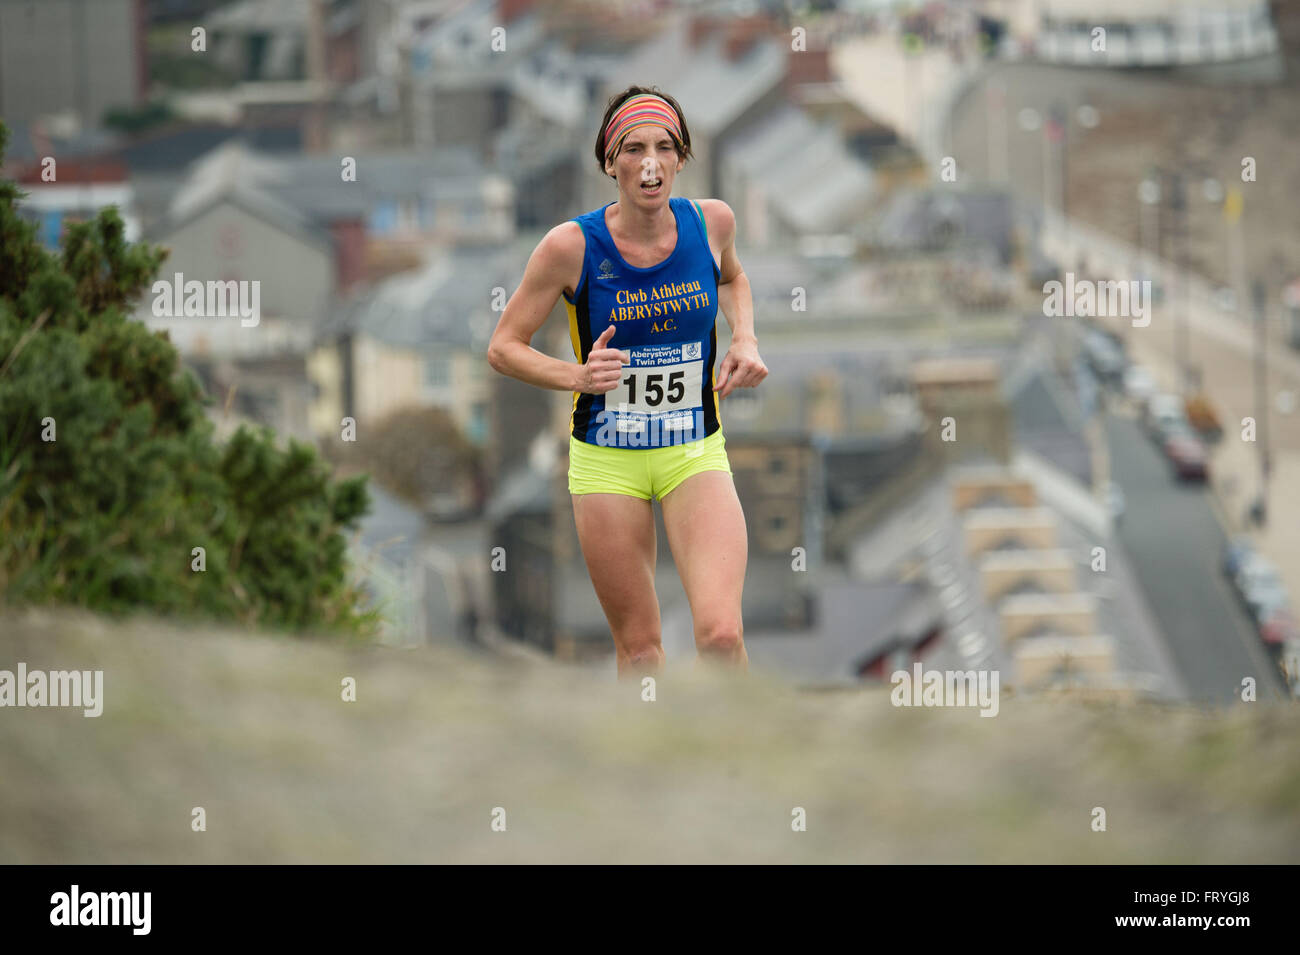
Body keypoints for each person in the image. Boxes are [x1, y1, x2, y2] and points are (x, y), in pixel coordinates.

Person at [487, 85, 768, 678]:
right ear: (609, 161)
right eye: (634, 147)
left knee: (720, 634)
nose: (650, 163)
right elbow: (504, 348)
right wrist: (577, 375)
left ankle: (749, 752)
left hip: (694, 451)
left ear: (681, 158)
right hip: (607, 461)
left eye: (665, 147)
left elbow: (734, 280)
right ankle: (656, 767)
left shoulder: (711, 222)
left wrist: (744, 337)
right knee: (641, 654)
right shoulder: (569, 247)